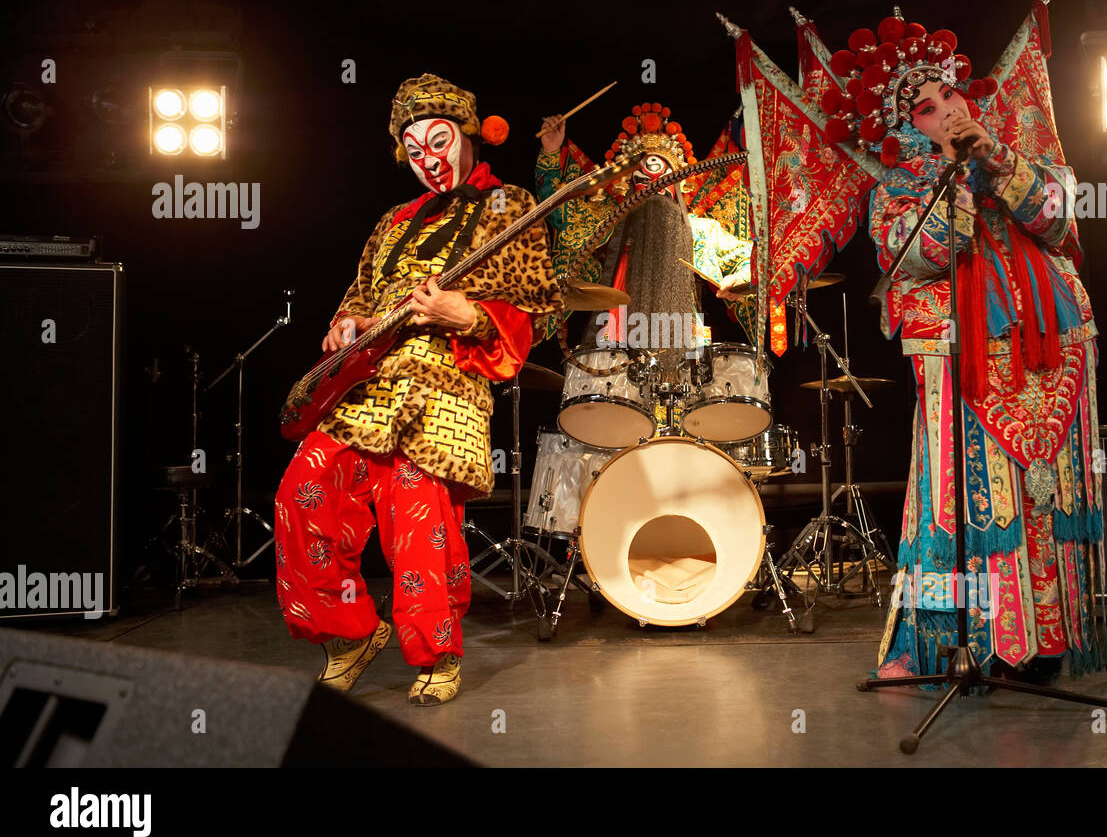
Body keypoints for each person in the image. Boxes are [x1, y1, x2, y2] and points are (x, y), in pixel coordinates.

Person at [817, 10, 1106, 682]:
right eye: (924, 108)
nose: (945, 110)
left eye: (950, 94)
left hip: (1051, 347)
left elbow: (1058, 219)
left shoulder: (1015, 150)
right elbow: (920, 253)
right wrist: (953, 173)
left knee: (1046, 491)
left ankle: (1046, 642)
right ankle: (965, 639)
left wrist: (996, 160)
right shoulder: (897, 191)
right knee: (962, 497)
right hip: (961, 355)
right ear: (901, 127)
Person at [273, 73, 562, 704]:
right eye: (414, 149)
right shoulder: (392, 221)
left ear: (468, 136)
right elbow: (360, 296)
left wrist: (471, 315)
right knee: (303, 493)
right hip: (369, 386)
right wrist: (344, 324)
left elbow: (543, 307)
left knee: (417, 511)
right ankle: (348, 634)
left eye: (439, 142)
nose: (429, 160)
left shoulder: (508, 206)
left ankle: (437, 653)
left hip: (446, 384)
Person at [536, 104, 753, 373]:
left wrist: (740, 279)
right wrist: (552, 151)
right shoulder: (607, 225)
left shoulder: (701, 232)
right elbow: (559, 211)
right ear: (626, 189)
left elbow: (752, 259)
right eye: (642, 187)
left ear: (678, 189)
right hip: (612, 351)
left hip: (682, 355)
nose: (653, 196)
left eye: (662, 187)